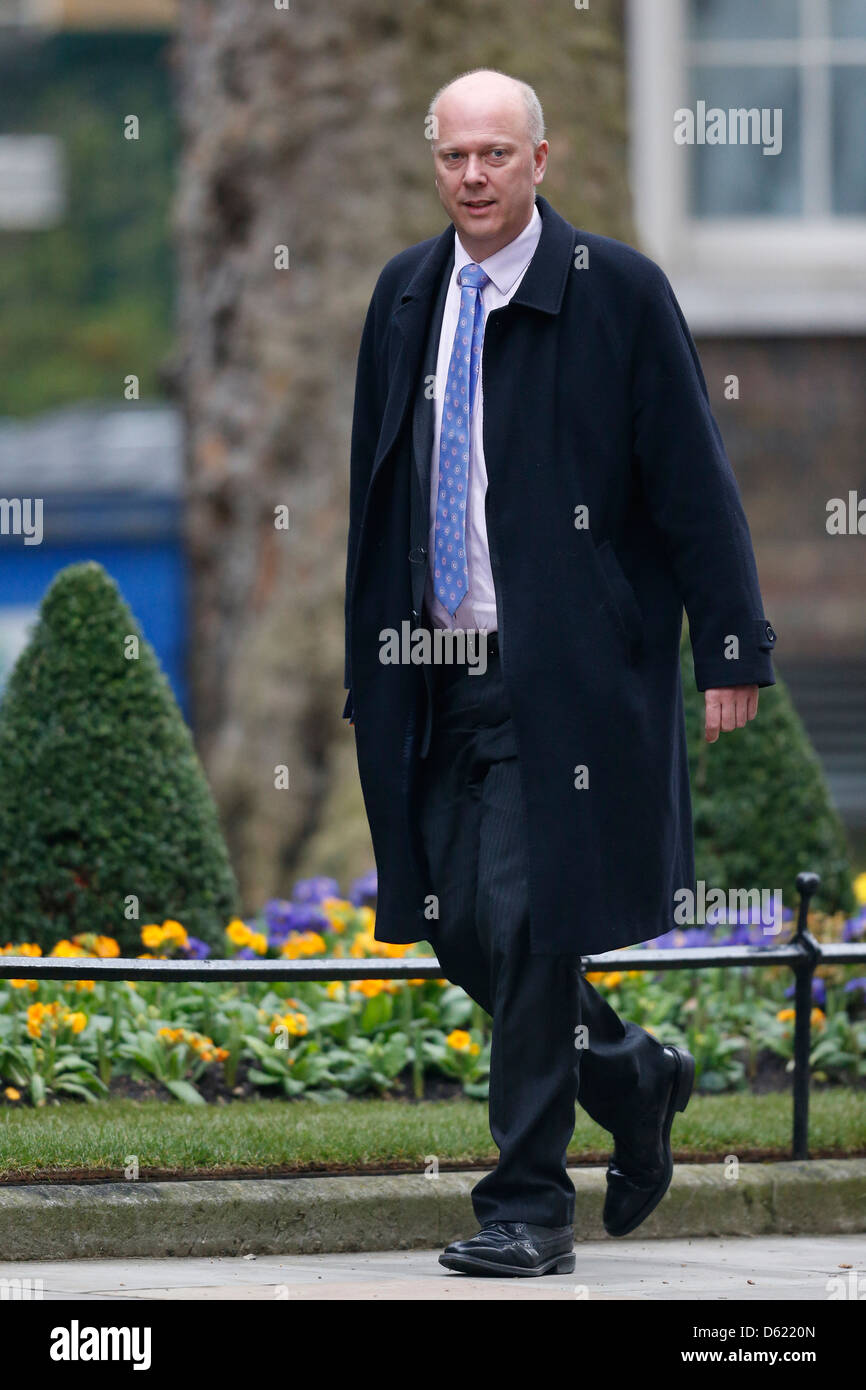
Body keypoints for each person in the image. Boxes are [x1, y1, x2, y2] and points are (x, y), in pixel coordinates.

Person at [343, 68, 777, 1277]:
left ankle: (527, 1205)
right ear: (432, 162)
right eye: (452, 156)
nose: (472, 176)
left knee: (531, 926)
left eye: (495, 153)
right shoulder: (402, 294)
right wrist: (367, 661)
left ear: (544, 160)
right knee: (457, 926)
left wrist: (730, 642)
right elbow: (372, 499)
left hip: (572, 678)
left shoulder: (617, 293)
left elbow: (692, 479)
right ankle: (634, 1080)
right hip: (439, 672)